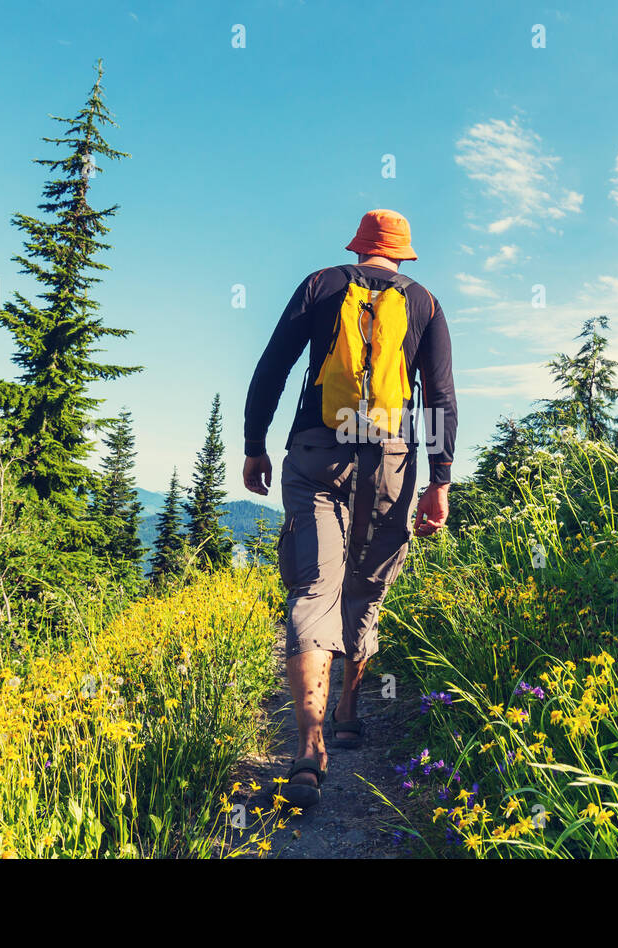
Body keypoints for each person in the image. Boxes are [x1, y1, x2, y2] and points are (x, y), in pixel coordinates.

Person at [242, 209, 457, 808]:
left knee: (314, 589)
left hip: (314, 448)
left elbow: (273, 369)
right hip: (389, 459)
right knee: (366, 587)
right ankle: (347, 712)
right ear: (403, 255)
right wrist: (439, 480)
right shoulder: (426, 304)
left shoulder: (318, 285)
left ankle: (309, 750)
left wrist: (254, 445)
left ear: (359, 247)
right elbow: (439, 397)